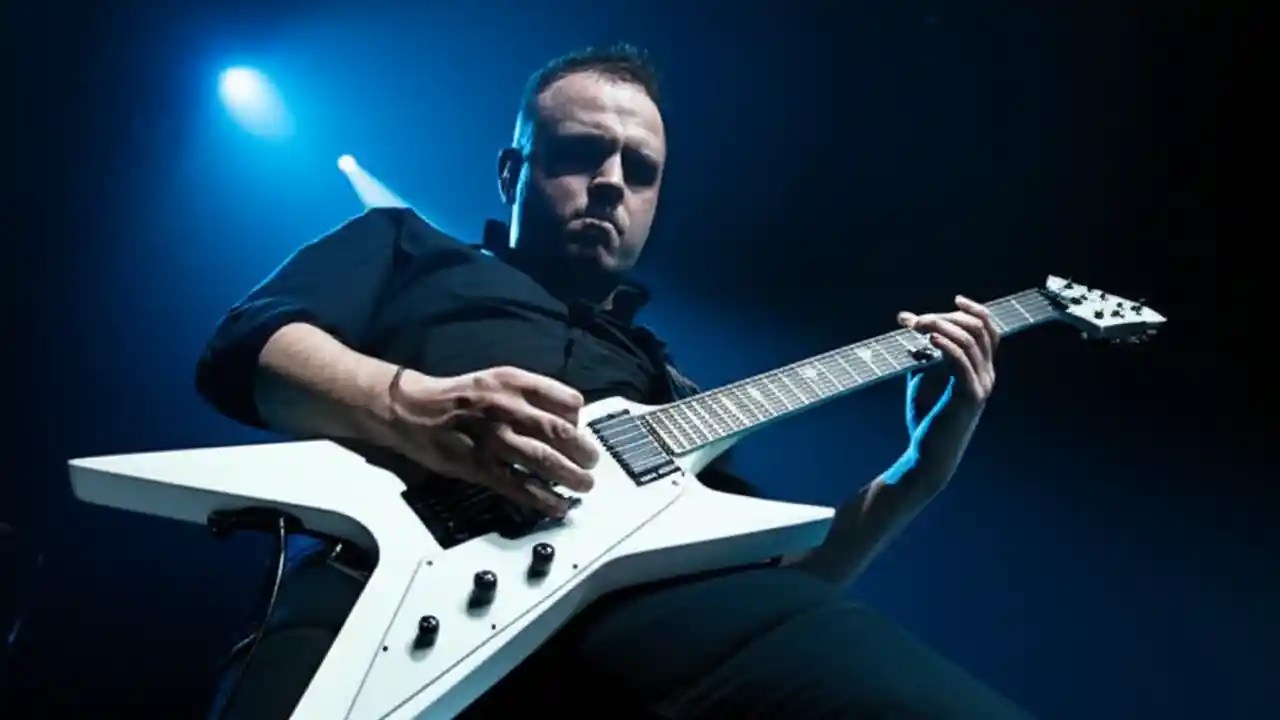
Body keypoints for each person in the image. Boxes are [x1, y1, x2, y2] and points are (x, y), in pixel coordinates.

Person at [194, 43, 1033, 719]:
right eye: (581, 154)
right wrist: (418, 404)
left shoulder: (664, 380)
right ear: (512, 171)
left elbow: (790, 585)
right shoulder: (404, 246)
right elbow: (244, 347)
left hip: (627, 630)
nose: (610, 183)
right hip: (373, 596)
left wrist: (917, 470)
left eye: (640, 170)